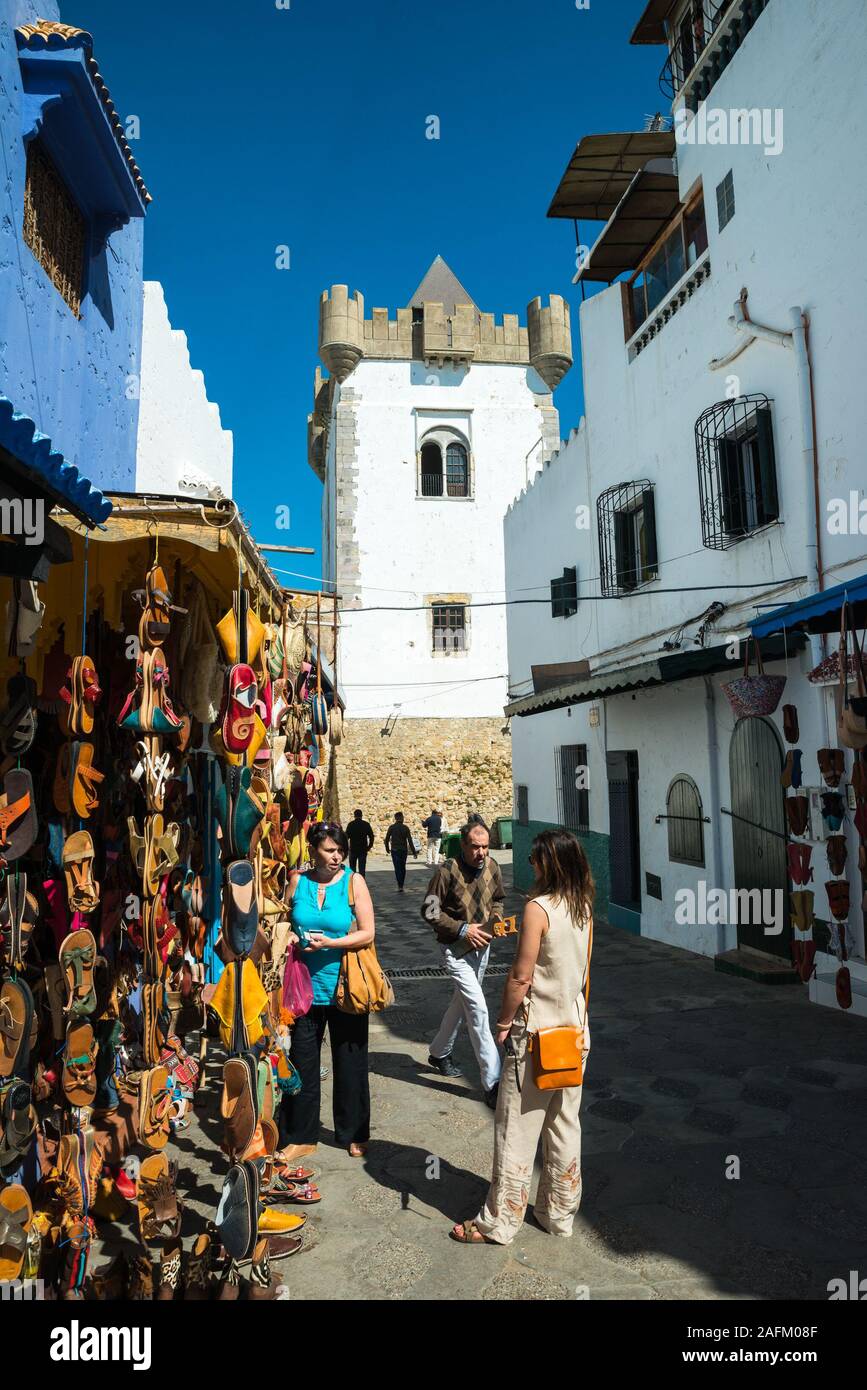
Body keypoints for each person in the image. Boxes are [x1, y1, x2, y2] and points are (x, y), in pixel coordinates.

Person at [449, 828, 594, 1245]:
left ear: (550, 863)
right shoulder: (582, 906)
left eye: (534, 857)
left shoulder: (539, 908)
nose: (529, 863)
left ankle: (500, 1220)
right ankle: (558, 1213)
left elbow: (520, 976)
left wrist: (502, 1021)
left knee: (516, 1126)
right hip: (574, 1032)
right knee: (565, 1125)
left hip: (534, 1036)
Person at [276, 821, 375, 1162]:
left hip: (345, 986)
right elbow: (283, 920)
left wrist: (333, 942)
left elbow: (367, 932)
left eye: (340, 850)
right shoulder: (297, 881)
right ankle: (301, 1135)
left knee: (350, 1061)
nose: (337, 857)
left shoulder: (353, 882)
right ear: (313, 851)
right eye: (330, 850)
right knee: (301, 1062)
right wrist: (288, 936)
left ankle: (354, 1132)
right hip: (302, 987)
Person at [422, 820, 503, 1107]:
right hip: (454, 950)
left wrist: (495, 921)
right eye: (475, 847)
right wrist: (463, 929)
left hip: (483, 948)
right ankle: (493, 1083)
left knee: (463, 1003)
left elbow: (499, 900)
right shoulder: (446, 872)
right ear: (463, 846)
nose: (481, 853)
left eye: (485, 847)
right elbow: (430, 911)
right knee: (478, 1010)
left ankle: (439, 1051)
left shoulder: (493, 867)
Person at [384, 811, 417, 891]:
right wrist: (414, 852)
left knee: (397, 867)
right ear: (402, 818)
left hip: (395, 850)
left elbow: (387, 839)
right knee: (402, 867)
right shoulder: (405, 828)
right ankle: (401, 884)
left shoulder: (391, 827)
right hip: (403, 850)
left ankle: (399, 885)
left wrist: (387, 848)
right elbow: (410, 841)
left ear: (395, 818)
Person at [346, 809, 374, 877]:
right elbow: (371, 836)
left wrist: (346, 848)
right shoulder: (366, 824)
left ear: (354, 815)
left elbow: (346, 837)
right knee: (362, 868)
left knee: (352, 868)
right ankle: (361, 883)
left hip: (353, 849)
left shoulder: (351, 824)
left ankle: (353, 883)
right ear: (361, 815)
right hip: (363, 849)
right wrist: (369, 846)